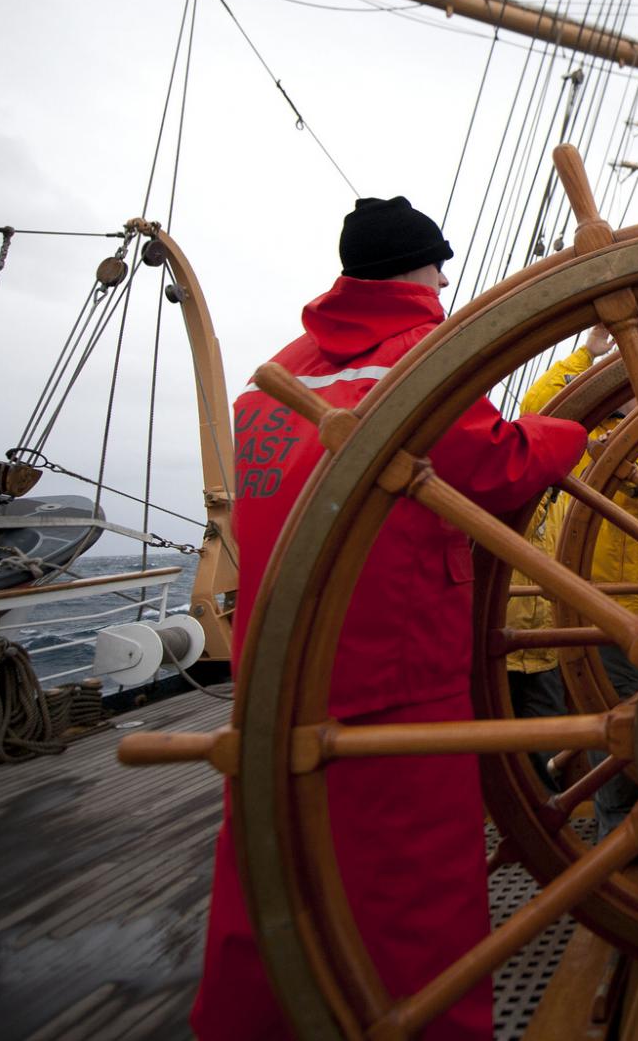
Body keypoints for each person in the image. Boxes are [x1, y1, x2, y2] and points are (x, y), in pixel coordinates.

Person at [193, 196, 587, 1041]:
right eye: (440, 268)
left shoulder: (276, 377)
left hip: (276, 673)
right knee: (413, 902)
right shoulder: (422, 356)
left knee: (272, 864)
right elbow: (497, 463)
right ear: (421, 269)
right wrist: (571, 430)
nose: (446, 283)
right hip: (394, 686)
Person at [515, 325, 638, 837]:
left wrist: (626, 462)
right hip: (602, 613)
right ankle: (623, 841)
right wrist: (586, 352)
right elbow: (537, 409)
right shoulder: (579, 439)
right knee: (625, 732)